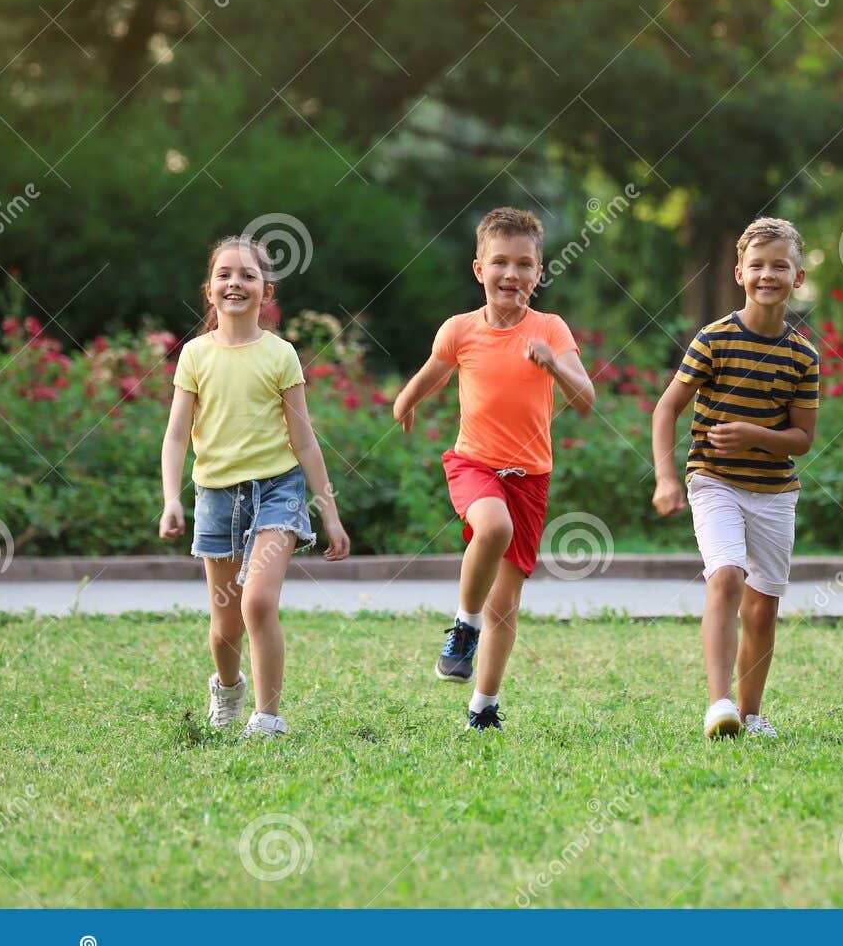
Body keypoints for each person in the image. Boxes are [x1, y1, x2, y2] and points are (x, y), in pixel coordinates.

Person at [392, 207, 595, 732]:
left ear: (539, 271)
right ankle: (463, 623)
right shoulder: (461, 330)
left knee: (505, 606)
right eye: (500, 262)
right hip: (474, 463)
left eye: (523, 264)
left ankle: (483, 708)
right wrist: (405, 403)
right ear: (479, 269)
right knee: (493, 527)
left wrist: (553, 363)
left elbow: (587, 399)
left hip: (530, 477)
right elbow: (430, 375)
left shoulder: (550, 329)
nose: (512, 274)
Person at [159, 236, 350, 739]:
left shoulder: (281, 354)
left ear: (267, 291)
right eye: (224, 274)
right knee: (225, 628)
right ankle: (227, 689)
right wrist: (170, 499)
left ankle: (267, 717)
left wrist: (328, 512)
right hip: (217, 499)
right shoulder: (195, 356)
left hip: (277, 492)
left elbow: (304, 439)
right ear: (209, 290)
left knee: (258, 602)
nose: (235, 283)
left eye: (247, 275)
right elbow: (177, 434)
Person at [650, 218, 820, 739]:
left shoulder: (802, 356)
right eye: (758, 266)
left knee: (763, 606)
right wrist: (665, 478)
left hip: (773, 492)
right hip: (714, 480)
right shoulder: (715, 339)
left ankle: (750, 712)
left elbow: (801, 439)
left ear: (797, 276)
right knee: (725, 576)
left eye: (780, 266)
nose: (768, 275)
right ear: (740, 272)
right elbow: (667, 408)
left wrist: (753, 434)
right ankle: (718, 703)